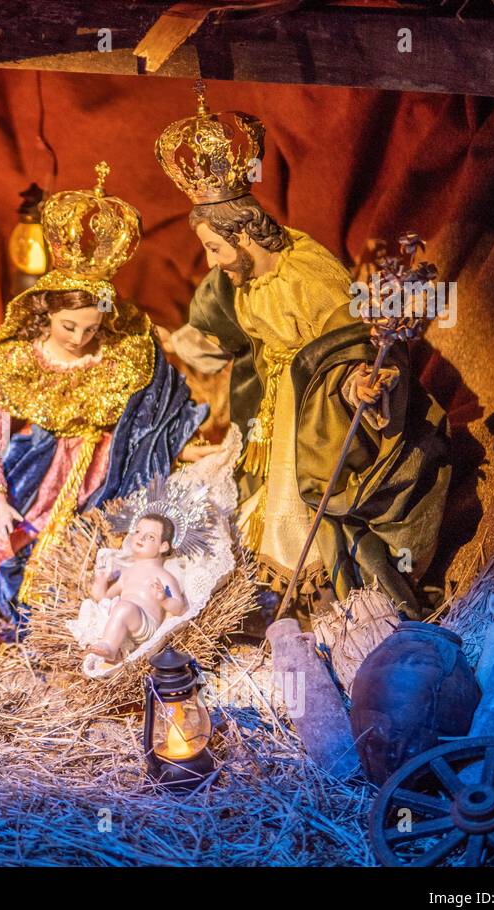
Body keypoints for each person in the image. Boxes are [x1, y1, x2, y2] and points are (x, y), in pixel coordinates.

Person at [156, 85, 451, 618]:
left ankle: (316, 605)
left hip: (314, 414)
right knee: (264, 499)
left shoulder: (308, 275)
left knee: (301, 510)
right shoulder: (241, 281)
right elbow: (232, 342)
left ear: (244, 236)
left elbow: (351, 347)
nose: (212, 260)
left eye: (215, 247)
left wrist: (355, 383)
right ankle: (268, 601)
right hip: (275, 406)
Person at [0, 163, 207, 622]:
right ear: (46, 313)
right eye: (68, 326)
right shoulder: (17, 362)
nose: (78, 338)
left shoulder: (126, 354)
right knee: (18, 571)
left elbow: (160, 418)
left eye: (91, 329)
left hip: (112, 483)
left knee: (103, 579)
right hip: (39, 480)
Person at [86, 514, 187, 663]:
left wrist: (164, 599)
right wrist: (100, 583)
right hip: (122, 617)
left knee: (124, 608)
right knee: (109, 608)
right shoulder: (127, 573)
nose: (141, 538)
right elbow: (105, 598)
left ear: (163, 546)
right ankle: (117, 649)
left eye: (151, 537)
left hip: (145, 623)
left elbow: (180, 608)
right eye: (138, 532)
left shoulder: (162, 576)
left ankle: (109, 648)